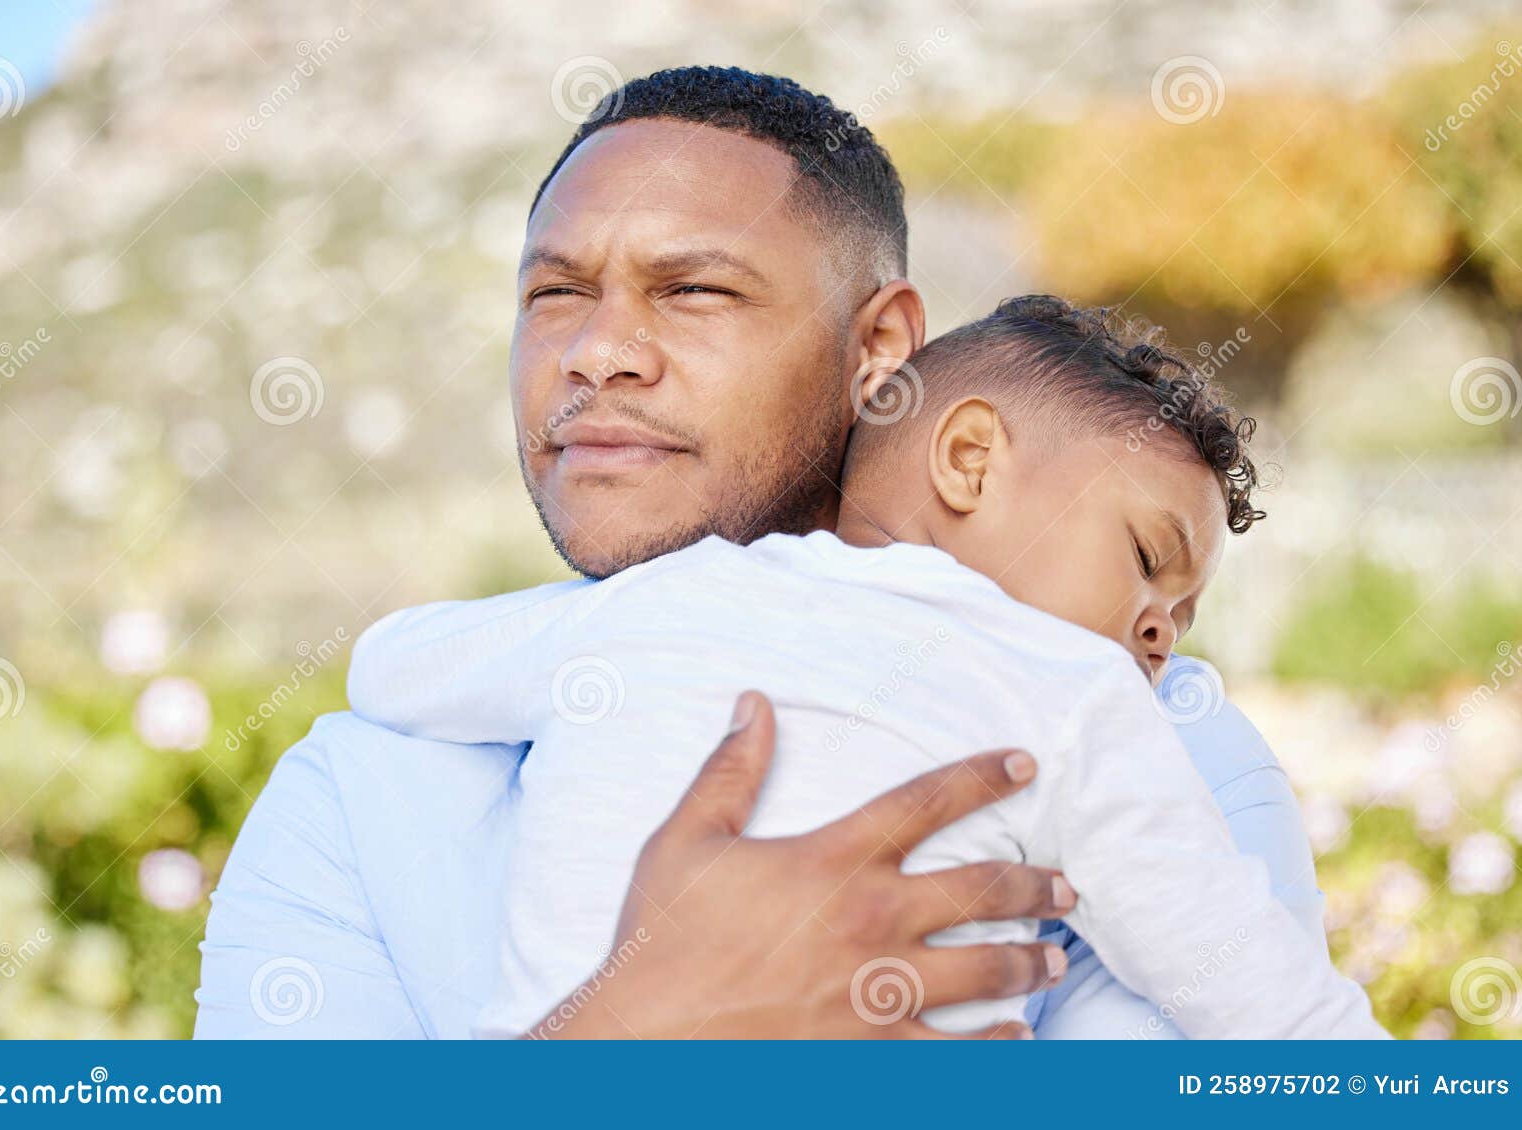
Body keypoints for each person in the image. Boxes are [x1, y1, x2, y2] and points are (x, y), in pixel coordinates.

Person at [195, 67, 1326, 1039]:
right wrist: (622, 1034)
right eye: (556, 292)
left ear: (878, 343)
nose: (598, 352)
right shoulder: (353, 792)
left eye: (691, 289)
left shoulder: (1152, 738)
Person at [348, 296, 1383, 1039]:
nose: (1159, 633)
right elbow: (1263, 1002)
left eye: (1182, 619)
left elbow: (390, 667)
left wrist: (601, 622)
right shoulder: (1070, 691)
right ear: (969, 458)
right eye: (1149, 560)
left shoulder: (666, 599)